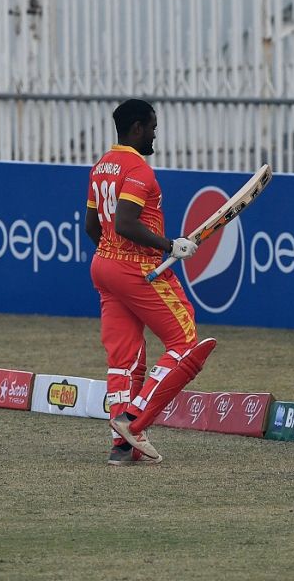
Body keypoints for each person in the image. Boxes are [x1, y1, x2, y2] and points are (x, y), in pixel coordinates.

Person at [85, 99, 214, 466]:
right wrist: (169, 245)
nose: (156, 134)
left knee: (123, 361)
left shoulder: (100, 168)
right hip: (135, 268)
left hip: (104, 264)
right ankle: (134, 418)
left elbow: (92, 227)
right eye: (153, 127)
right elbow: (126, 222)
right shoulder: (140, 171)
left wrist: (111, 256)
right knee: (185, 340)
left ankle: (121, 446)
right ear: (138, 128)